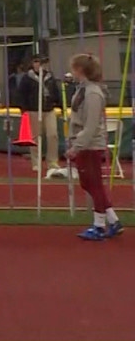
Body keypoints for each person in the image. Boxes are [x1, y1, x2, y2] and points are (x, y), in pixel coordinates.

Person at [65, 53, 123, 240]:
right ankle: (113, 220)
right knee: (88, 183)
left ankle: (99, 225)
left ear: (80, 70)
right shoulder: (83, 89)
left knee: (94, 183)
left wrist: (76, 146)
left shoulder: (93, 94)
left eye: (74, 68)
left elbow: (90, 126)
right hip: (84, 142)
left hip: (90, 145)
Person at [15, 53, 65, 178]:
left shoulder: (50, 77)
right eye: (37, 62)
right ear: (33, 63)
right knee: (36, 137)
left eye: (41, 62)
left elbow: (55, 91)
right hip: (34, 110)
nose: (39, 65)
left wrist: (60, 105)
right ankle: (36, 162)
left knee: (52, 135)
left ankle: (52, 162)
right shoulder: (28, 78)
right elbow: (21, 94)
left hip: (49, 109)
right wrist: (24, 109)